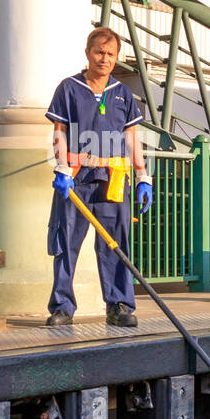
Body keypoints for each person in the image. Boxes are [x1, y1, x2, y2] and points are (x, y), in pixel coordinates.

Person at [44, 26, 153, 326]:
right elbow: (59, 132)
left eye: (110, 54)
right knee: (66, 241)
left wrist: (143, 177)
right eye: (99, 52)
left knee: (115, 243)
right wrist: (62, 168)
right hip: (76, 178)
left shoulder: (123, 94)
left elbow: (132, 138)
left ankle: (118, 305)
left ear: (117, 58)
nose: (104, 59)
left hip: (113, 180)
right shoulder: (68, 88)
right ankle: (62, 307)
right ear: (88, 53)